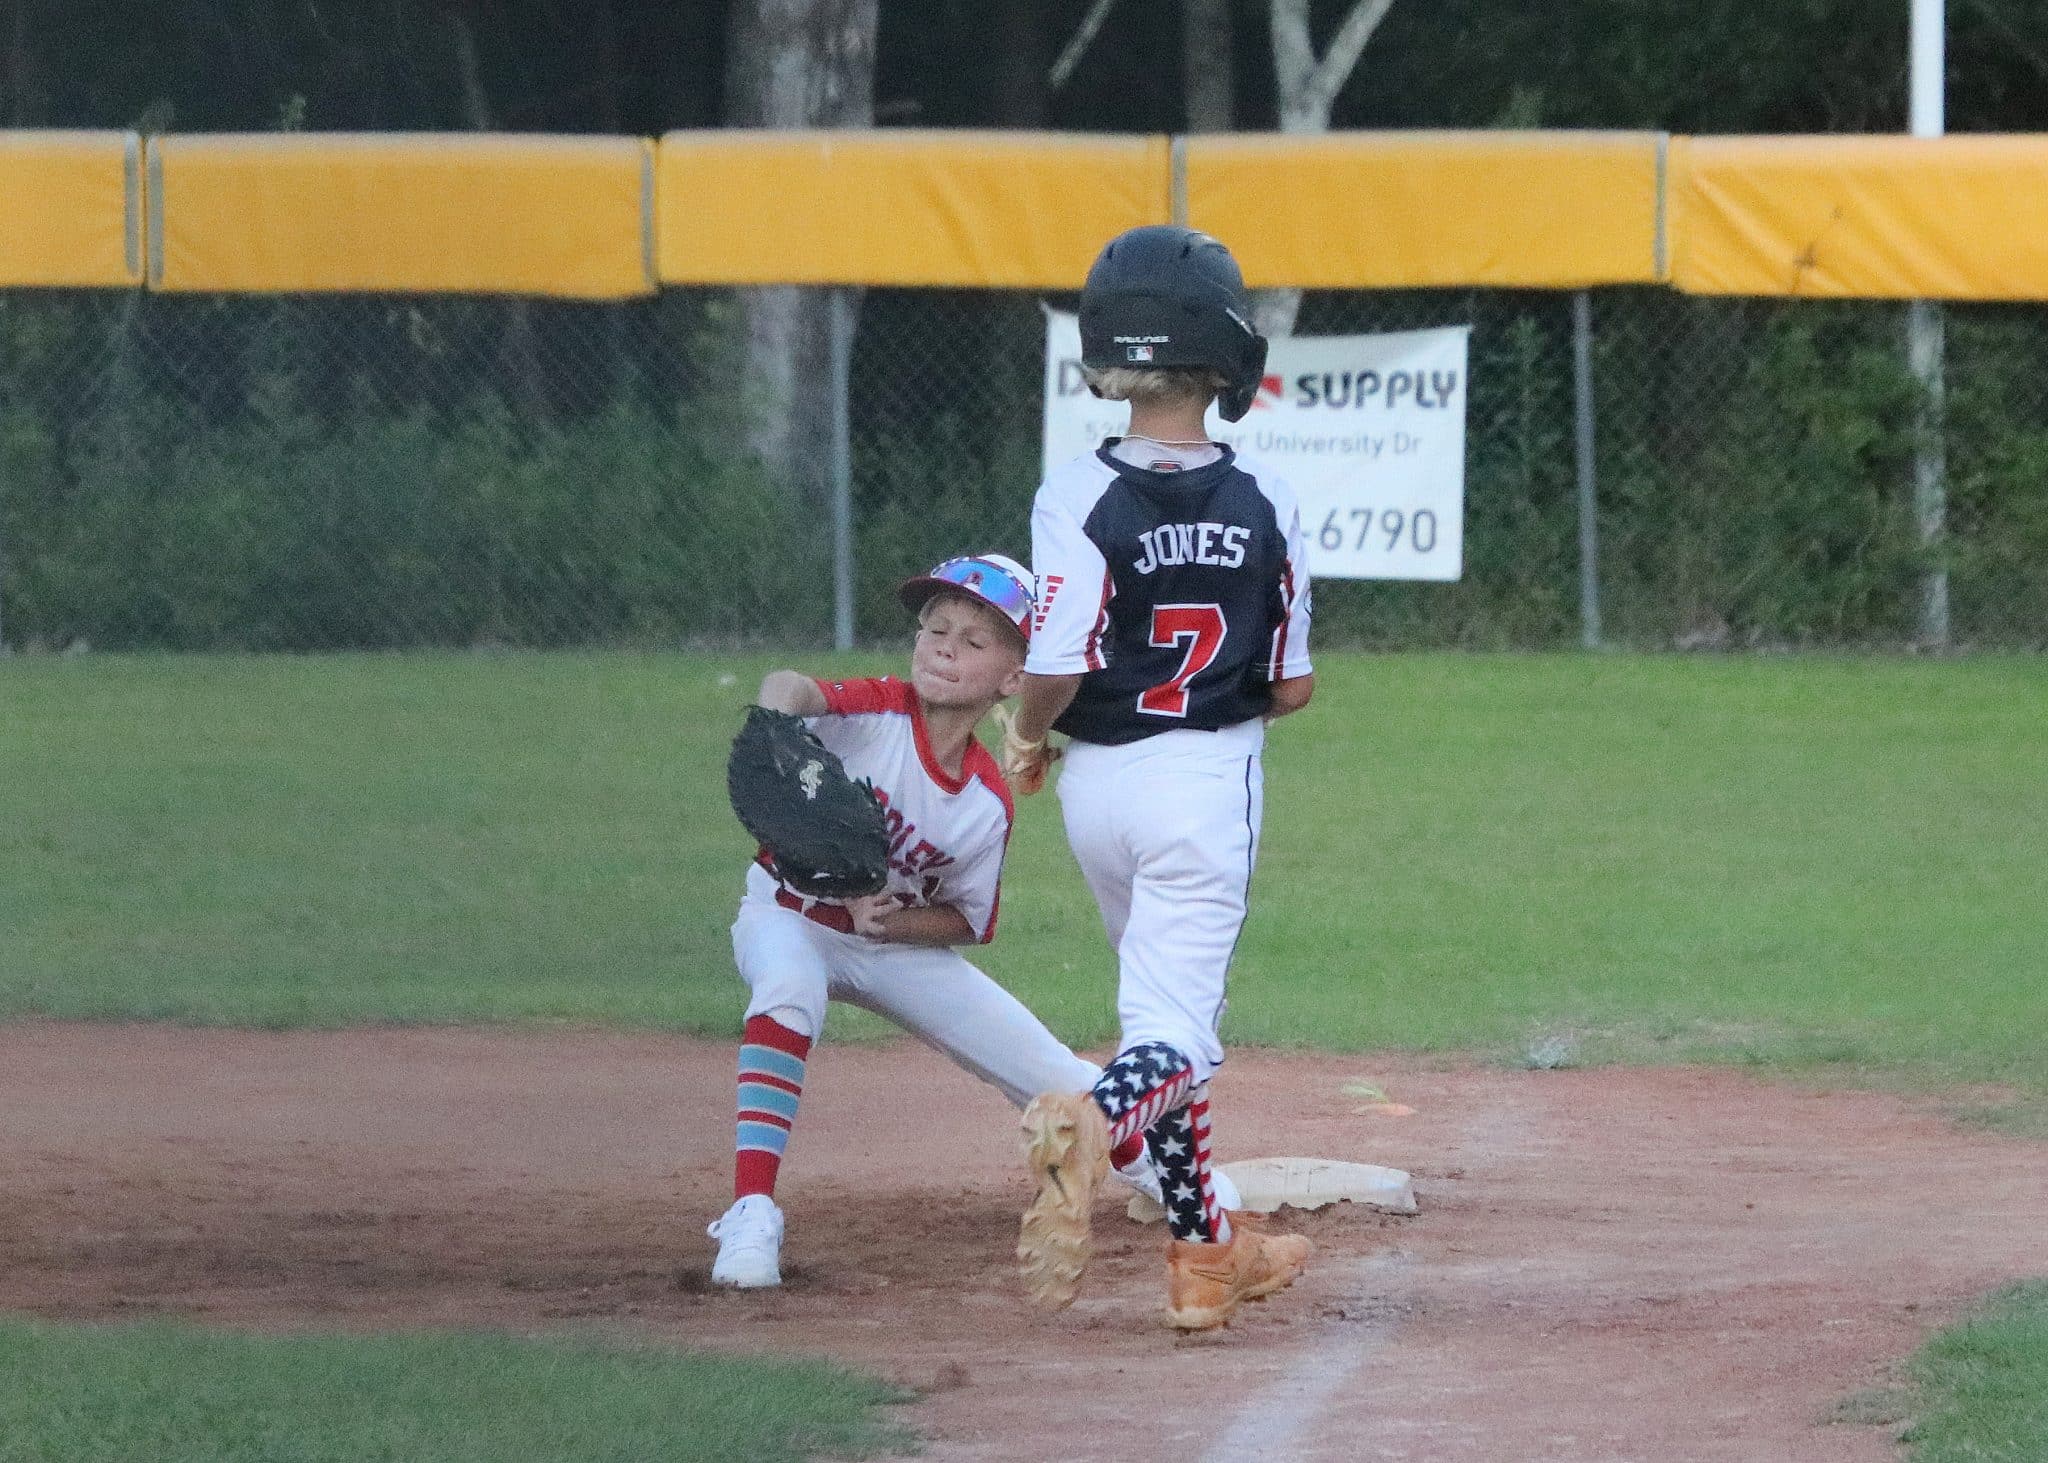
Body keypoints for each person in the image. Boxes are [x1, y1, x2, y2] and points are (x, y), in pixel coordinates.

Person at [707, 553, 1183, 1289]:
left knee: (1054, 1073)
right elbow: (793, 686)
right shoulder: (874, 710)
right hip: (787, 912)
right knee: (786, 989)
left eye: (973, 640)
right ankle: (751, 1211)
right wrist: (773, 712)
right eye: (935, 629)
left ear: (1014, 678)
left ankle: (1171, 1179)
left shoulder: (985, 802)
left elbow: (966, 919)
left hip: (887, 945)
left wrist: (887, 924)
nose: (944, 648)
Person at [1003, 225, 1318, 1330]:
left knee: (1157, 1019)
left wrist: (1025, 736)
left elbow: (1055, 661)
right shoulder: (1266, 496)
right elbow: (1290, 686)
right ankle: (1091, 1123)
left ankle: (1205, 1256)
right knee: (1172, 1040)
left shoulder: (1075, 493)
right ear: (1225, 358)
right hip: (1201, 782)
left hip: (1097, 787)